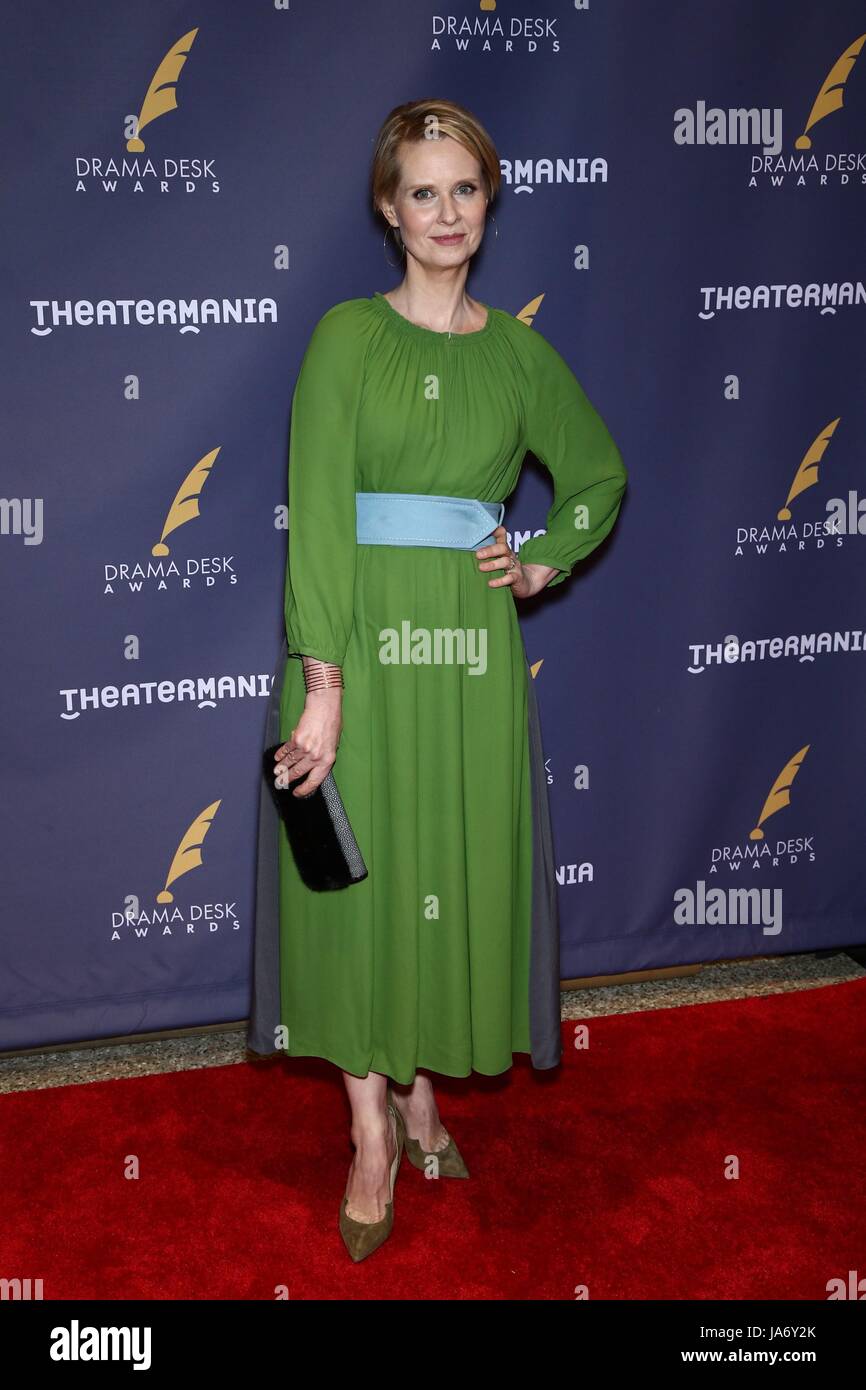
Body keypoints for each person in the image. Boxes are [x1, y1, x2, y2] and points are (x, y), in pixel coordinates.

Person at [249, 98, 628, 1262]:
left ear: (487, 198)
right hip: (353, 650)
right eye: (422, 190)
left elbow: (596, 476)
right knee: (360, 893)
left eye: (464, 188)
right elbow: (316, 514)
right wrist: (324, 684)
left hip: (467, 658)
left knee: (441, 876)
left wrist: (539, 559)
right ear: (387, 206)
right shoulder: (343, 339)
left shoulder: (518, 352)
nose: (445, 211)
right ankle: (373, 1129)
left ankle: (418, 1093)